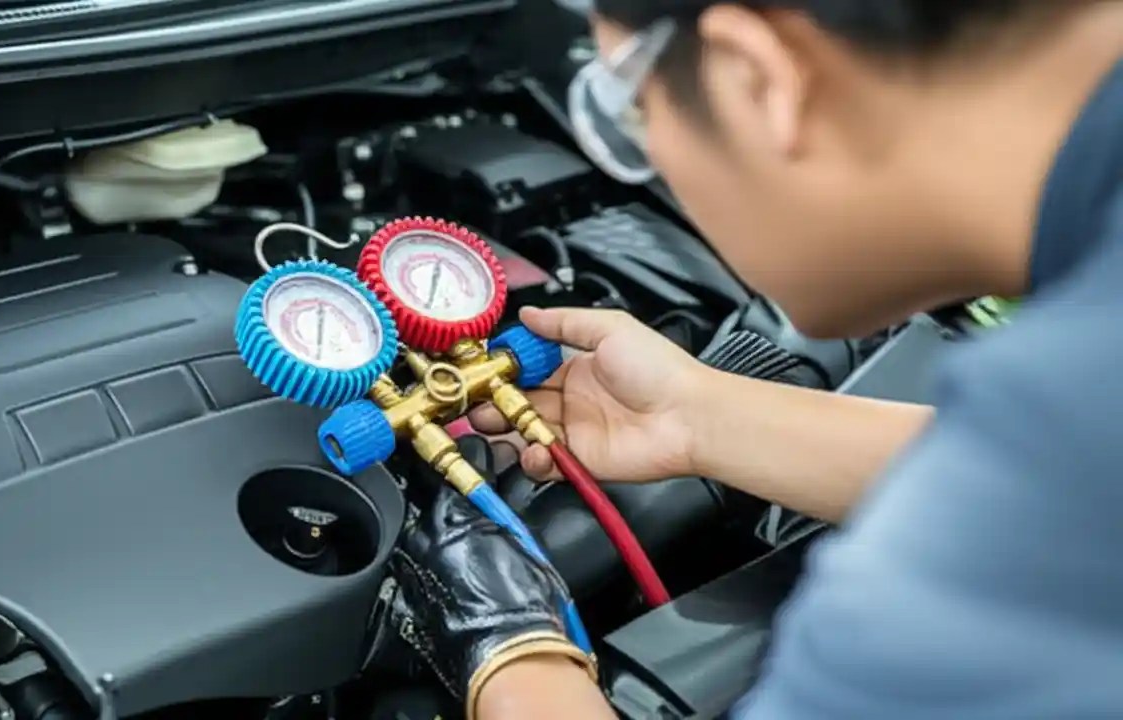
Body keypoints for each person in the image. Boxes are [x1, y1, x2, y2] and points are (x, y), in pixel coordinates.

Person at [388, 1, 1123, 719]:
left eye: (633, 115)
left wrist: (511, 654)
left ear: (756, 78)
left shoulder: (949, 593)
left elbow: (1037, 495)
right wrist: (696, 416)